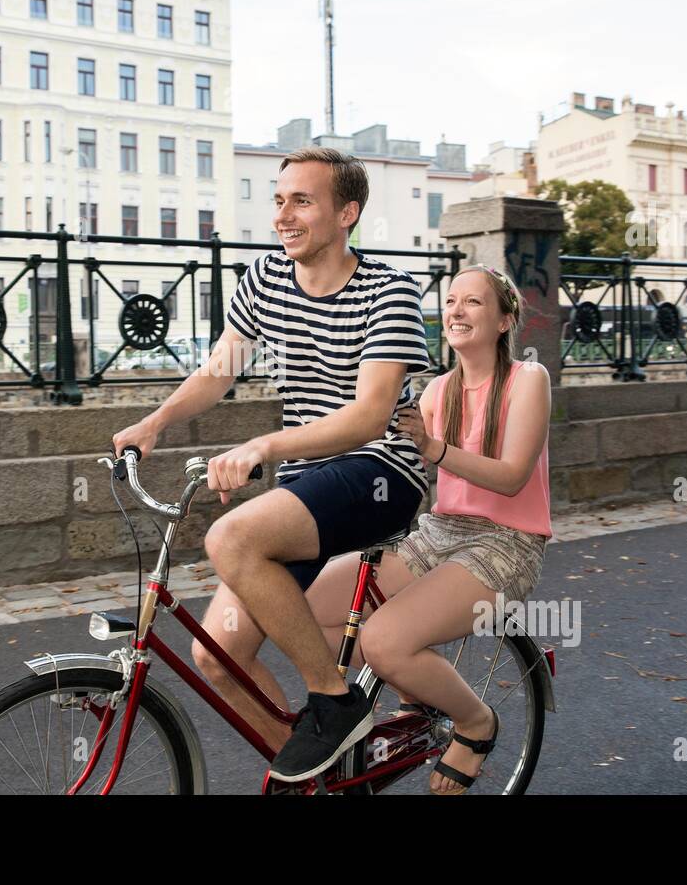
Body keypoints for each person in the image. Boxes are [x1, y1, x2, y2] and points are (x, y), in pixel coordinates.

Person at [112, 147, 430, 783]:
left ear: (348, 213)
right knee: (219, 657)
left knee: (231, 535)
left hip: (380, 473)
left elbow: (370, 416)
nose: (284, 215)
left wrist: (263, 446)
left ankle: (334, 704)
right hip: (309, 484)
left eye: (302, 201)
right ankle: (327, 778)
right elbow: (218, 370)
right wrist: (156, 421)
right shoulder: (264, 280)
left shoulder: (390, 291)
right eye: (279, 200)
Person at [304, 263, 552, 794]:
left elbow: (510, 478)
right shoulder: (437, 391)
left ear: (505, 320)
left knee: (384, 639)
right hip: (438, 533)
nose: (456, 310)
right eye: (451, 301)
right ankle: (416, 704)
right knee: (307, 608)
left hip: (506, 543)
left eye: (474, 302)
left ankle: (476, 723)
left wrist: (435, 447)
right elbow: (390, 460)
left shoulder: (527, 380)